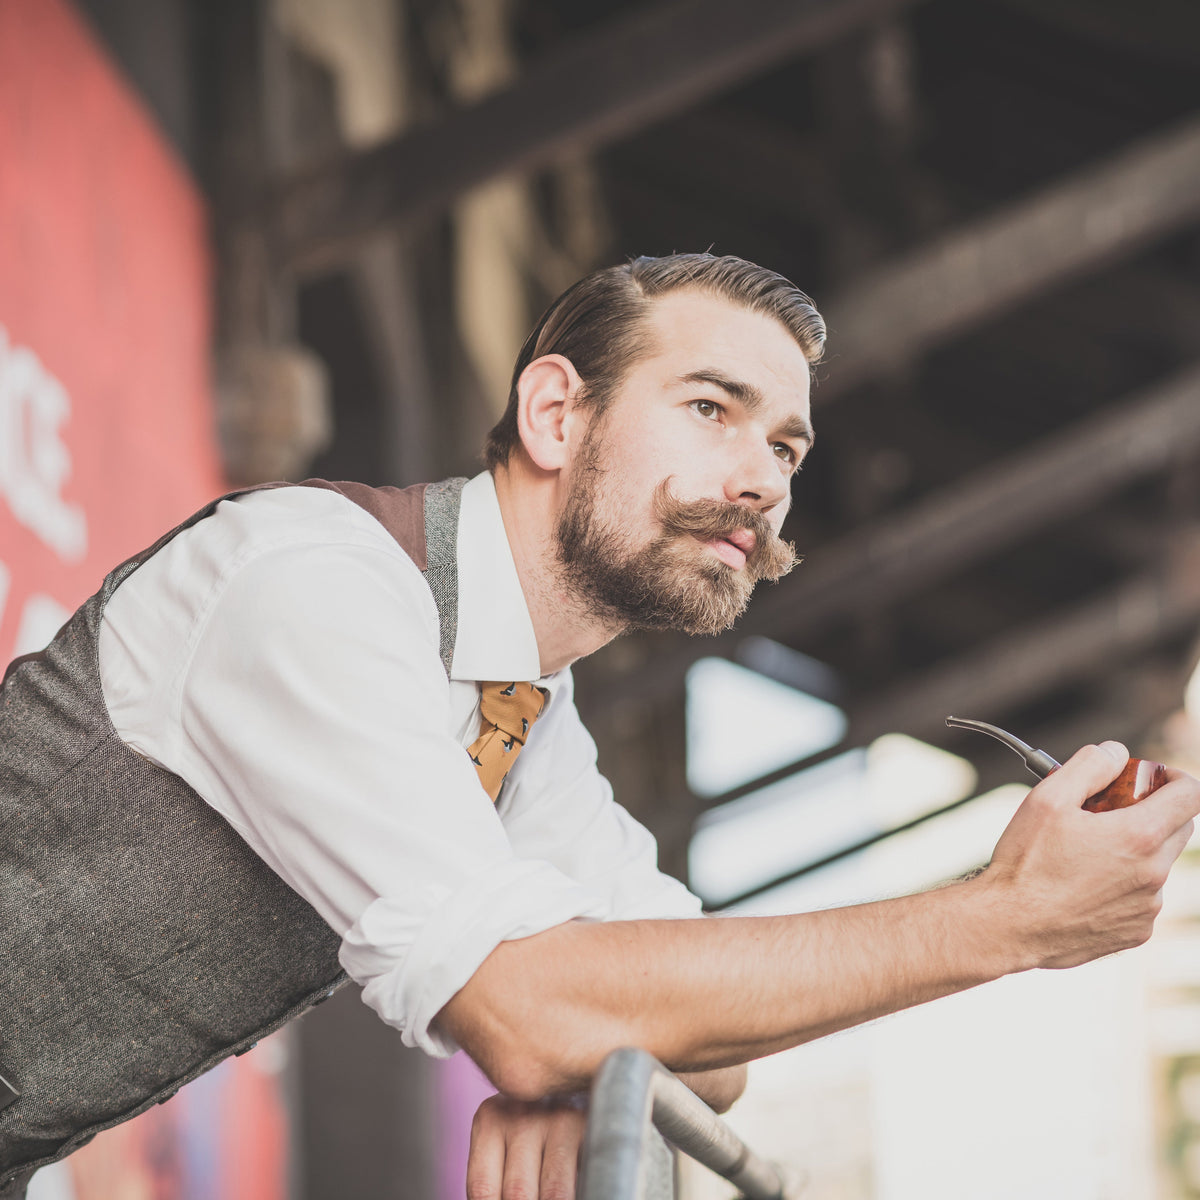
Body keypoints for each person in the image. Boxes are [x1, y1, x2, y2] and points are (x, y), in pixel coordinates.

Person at [1, 253, 1197, 1200]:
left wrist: (587, 1053)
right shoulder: (311, 581)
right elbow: (532, 1007)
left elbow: (711, 1060)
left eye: (786, 445)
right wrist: (1005, 918)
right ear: (557, 414)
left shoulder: (526, 718)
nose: (764, 478)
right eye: (711, 409)